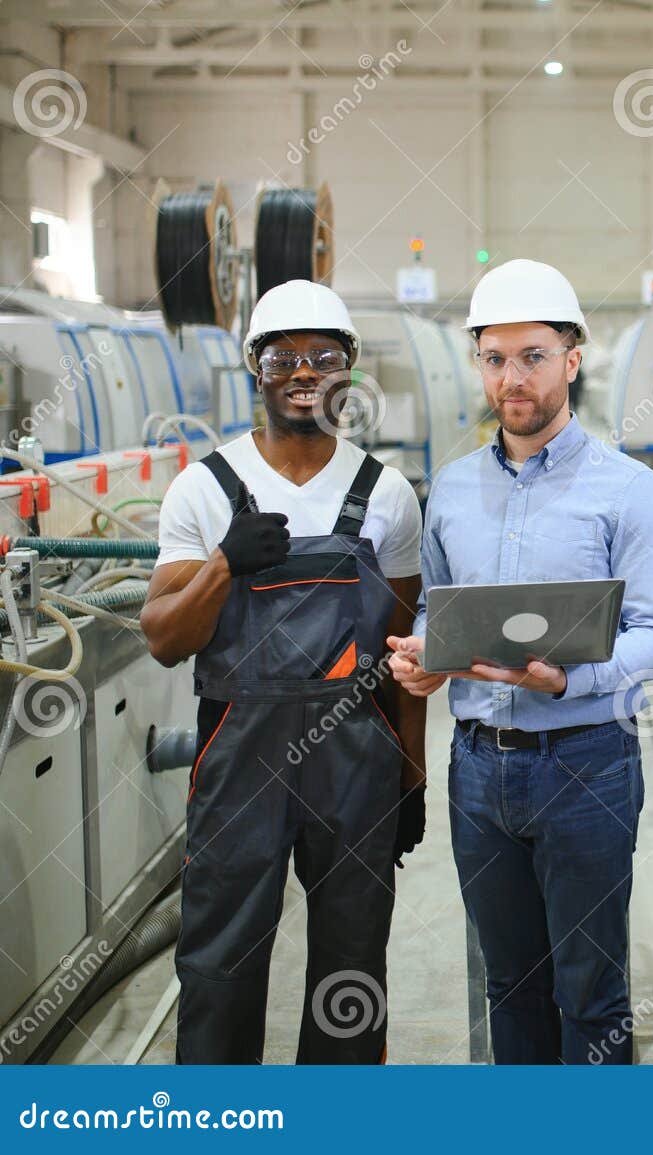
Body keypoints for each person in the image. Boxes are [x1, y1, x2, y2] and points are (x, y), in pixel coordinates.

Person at [386, 259, 653, 1065]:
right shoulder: (451, 490)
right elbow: (436, 608)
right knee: (509, 985)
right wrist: (426, 657)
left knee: (591, 994)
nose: (512, 378)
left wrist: (571, 679)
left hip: (586, 765)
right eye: (495, 358)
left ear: (572, 360)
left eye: (532, 357)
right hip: (479, 771)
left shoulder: (628, 491)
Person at [140, 280, 427, 1064]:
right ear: (255, 368)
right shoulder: (204, 489)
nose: (304, 371)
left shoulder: (386, 495)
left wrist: (411, 777)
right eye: (283, 356)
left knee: (352, 962)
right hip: (241, 760)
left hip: (356, 762)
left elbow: (403, 651)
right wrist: (221, 566)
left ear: (348, 369)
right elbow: (163, 637)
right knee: (219, 963)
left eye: (323, 357)